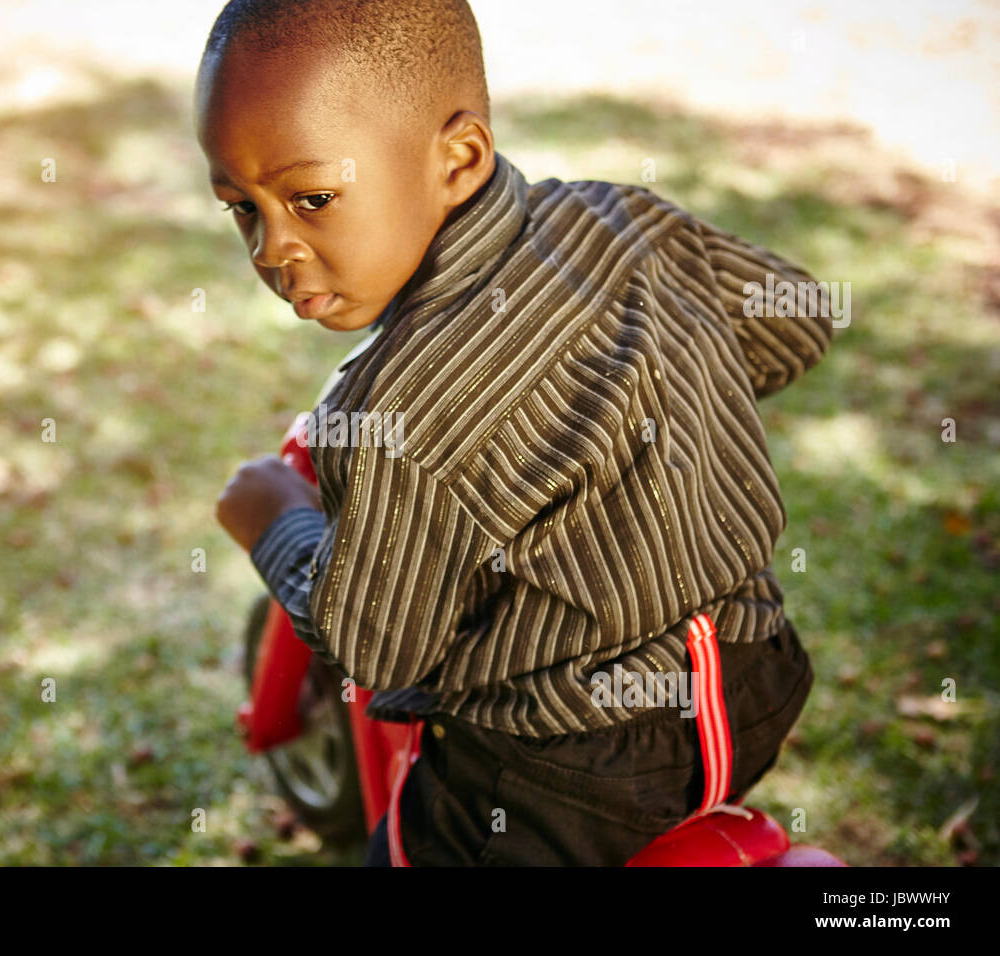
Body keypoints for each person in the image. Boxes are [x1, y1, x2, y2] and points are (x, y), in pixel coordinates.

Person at [197, 0, 831, 865]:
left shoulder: (392, 412)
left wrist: (279, 522)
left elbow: (377, 644)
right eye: (242, 207)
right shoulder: (624, 219)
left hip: (561, 777)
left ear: (458, 159)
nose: (273, 248)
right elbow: (798, 324)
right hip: (756, 683)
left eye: (312, 198)